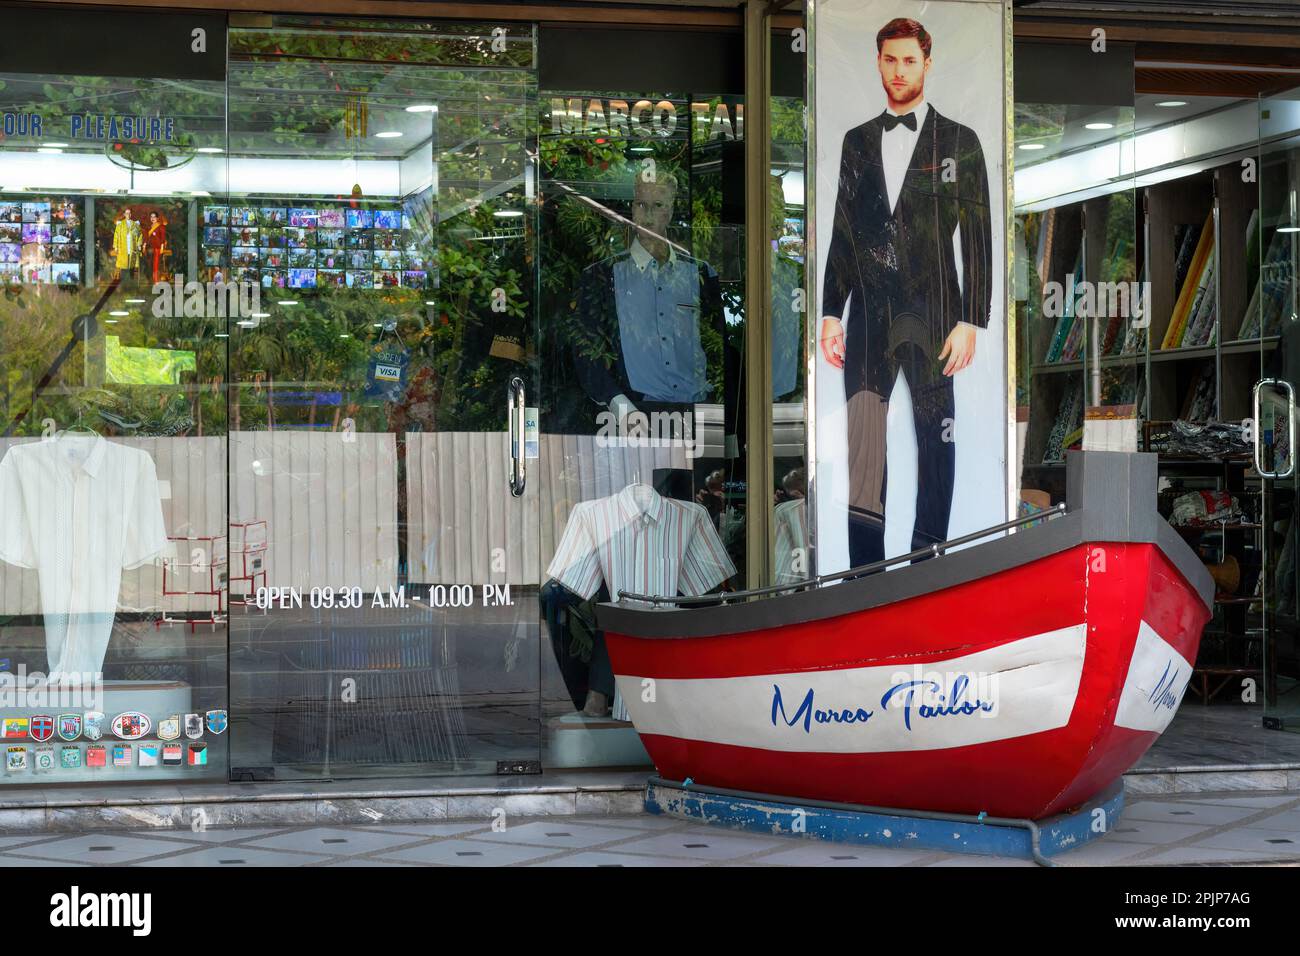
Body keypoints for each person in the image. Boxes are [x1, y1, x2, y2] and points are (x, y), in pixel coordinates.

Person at [819, 16, 991, 566]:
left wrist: (972, 319)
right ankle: (865, 575)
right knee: (865, 445)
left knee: (935, 440)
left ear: (927, 63)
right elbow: (843, 232)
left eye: (909, 60)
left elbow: (981, 237)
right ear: (878, 62)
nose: (899, 71)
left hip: (937, 314)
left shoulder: (960, 143)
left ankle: (927, 563)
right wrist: (829, 312)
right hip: (868, 314)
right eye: (889, 60)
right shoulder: (856, 143)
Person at [110, 208, 142, 281]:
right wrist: (116, 246)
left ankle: (131, 281)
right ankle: (124, 282)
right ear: (124, 214)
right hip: (123, 247)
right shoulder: (120, 224)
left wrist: (139, 244)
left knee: (132, 264)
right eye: (127, 213)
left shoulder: (135, 224)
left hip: (132, 247)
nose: (128, 215)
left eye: (130, 213)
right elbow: (116, 235)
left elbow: (140, 235)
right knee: (123, 264)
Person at [145, 211, 168, 284]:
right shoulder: (149, 227)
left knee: (156, 264)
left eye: (154, 217)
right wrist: (144, 245)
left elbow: (163, 238)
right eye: (151, 217)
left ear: (157, 218)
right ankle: (151, 279)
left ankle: (156, 280)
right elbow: (147, 238)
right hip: (150, 248)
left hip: (157, 248)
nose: (152, 218)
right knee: (150, 264)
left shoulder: (161, 226)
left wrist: (162, 247)